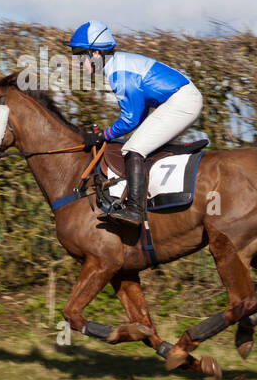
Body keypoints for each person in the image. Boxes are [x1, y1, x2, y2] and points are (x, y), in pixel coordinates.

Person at [68, 20, 203, 226]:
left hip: (182, 101)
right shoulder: (118, 64)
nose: (79, 62)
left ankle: (134, 210)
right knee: (137, 142)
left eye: (81, 55)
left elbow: (130, 118)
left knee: (133, 148)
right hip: (180, 98)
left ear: (95, 53)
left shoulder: (118, 73)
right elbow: (137, 116)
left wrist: (104, 135)